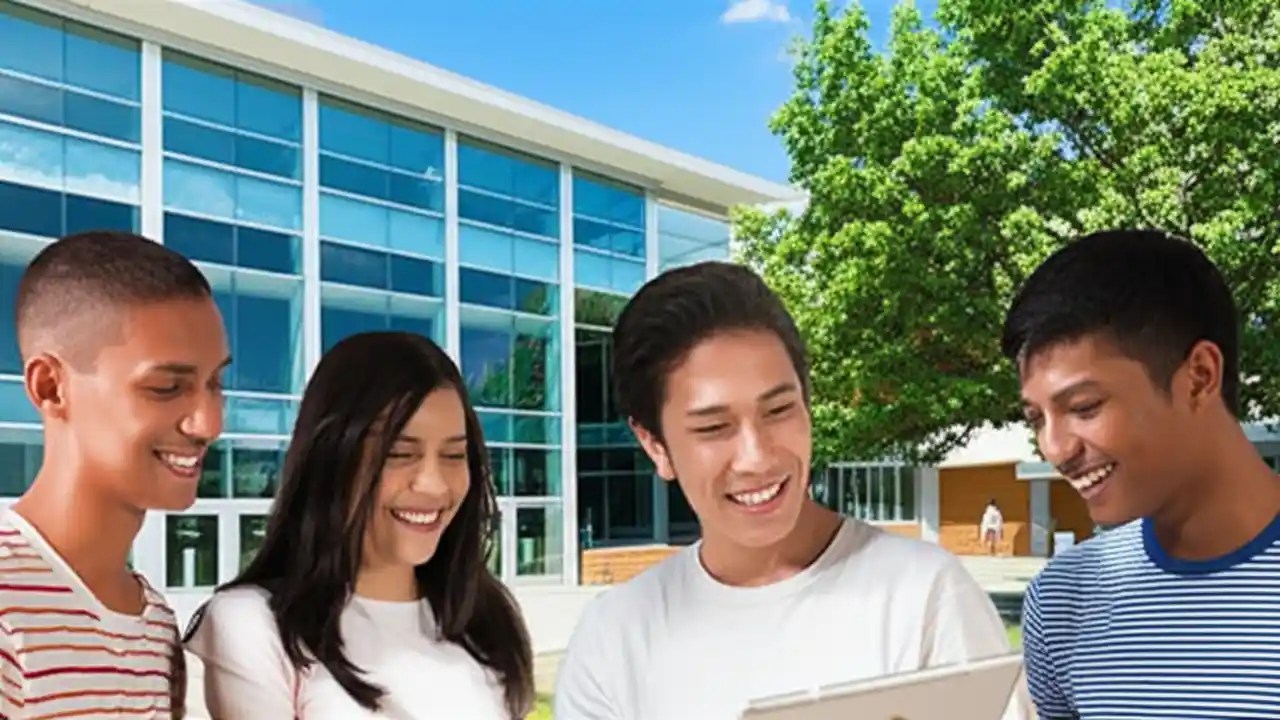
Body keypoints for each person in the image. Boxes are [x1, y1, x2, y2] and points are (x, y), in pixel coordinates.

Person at [555, 261, 1029, 719]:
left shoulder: (924, 595)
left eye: (779, 410)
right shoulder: (613, 638)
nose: (757, 457)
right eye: (714, 427)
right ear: (655, 446)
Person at [184, 331, 535, 719]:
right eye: (400, 454)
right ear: (332, 458)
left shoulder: (487, 616)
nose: (434, 484)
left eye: (454, 455)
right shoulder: (251, 624)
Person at [1005, 229, 1280, 718]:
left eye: (1084, 407)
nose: (1055, 448)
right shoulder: (1063, 601)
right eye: (1036, 418)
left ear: (1198, 377)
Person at [0, 231, 228, 718]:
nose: (208, 424)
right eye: (167, 388)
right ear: (50, 387)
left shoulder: (156, 624)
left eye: (216, 384)